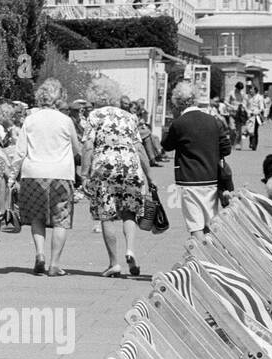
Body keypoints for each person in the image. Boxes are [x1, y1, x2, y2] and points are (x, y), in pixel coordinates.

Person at [81, 77, 153, 277]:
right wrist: (149, 176)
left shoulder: (94, 115)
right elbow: (139, 148)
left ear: (94, 96)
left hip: (104, 168)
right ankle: (130, 250)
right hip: (130, 167)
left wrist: (84, 175)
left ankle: (114, 263)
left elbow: (87, 146)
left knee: (107, 215)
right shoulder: (130, 117)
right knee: (129, 212)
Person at [13, 79, 80, 277]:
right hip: (60, 174)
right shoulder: (66, 121)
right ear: (59, 98)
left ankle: (40, 254)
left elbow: (19, 152)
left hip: (33, 174)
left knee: (37, 217)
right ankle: (54, 264)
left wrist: (11, 176)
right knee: (61, 219)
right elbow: (77, 149)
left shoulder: (30, 120)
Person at [161, 79, 231, 243]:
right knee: (209, 222)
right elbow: (226, 148)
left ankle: (203, 261)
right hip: (212, 178)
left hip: (189, 179)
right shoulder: (213, 120)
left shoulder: (179, 124)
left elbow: (167, 145)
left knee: (195, 226)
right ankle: (213, 256)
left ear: (177, 102)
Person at [245, 85, 266, 152]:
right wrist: (247, 111)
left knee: (255, 130)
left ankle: (254, 144)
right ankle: (251, 142)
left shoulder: (259, 97)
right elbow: (245, 105)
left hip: (256, 115)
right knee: (250, 129)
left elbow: (262, 107)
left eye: (252, 89)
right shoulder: (247, 96)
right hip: (249, 115)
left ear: (255, 90)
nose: (250, 91)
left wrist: (257, 111)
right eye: (250, 89)